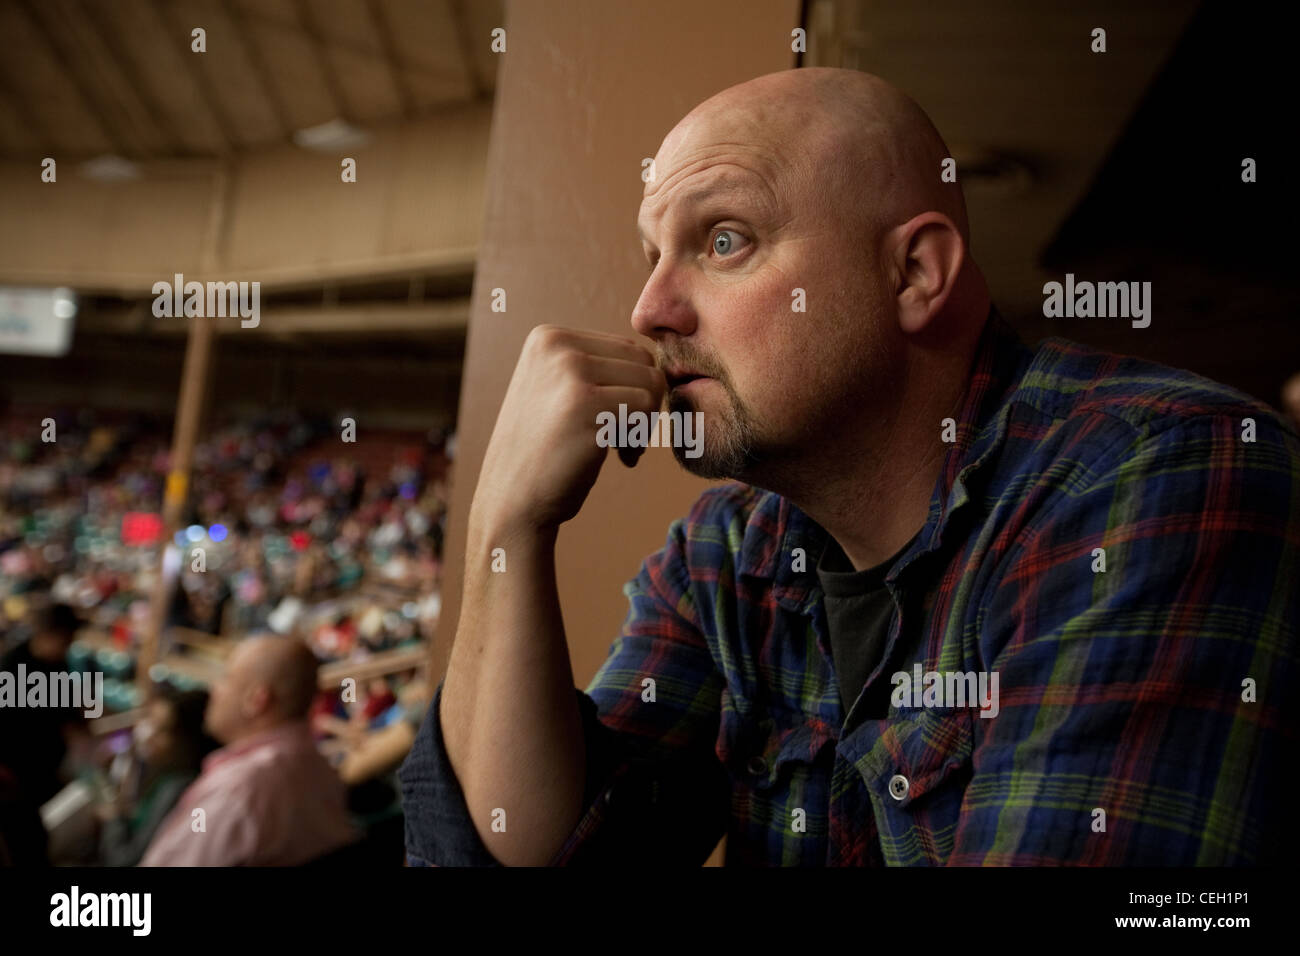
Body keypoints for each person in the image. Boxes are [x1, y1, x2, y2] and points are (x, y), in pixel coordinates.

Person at [399, 67, 1300, 866]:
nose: (648, 310)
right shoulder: (728, 553)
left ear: (914, 273)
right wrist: (504, 527)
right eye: (651, 256)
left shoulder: (1157, 474)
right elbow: (538, 847)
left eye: (722, 241)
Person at [140, 635, 359, 865]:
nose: (214, 689)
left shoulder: (240, 789)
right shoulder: (320, 770)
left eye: (226, 678)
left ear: (256, 700)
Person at [0, 601, 83, 866]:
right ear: (48, 634)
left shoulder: (58, 664)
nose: (68, 647)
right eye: (65, 640)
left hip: (42, 777)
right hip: (14, 781)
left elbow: (70, 716)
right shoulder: (11, 669)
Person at [97, 688, 217, 867]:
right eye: (151, 722)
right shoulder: (161, 773)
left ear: (189, 741)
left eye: (163, 731)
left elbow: (126, 860)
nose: (148, 734)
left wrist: (115, 818)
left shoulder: (177, 789)